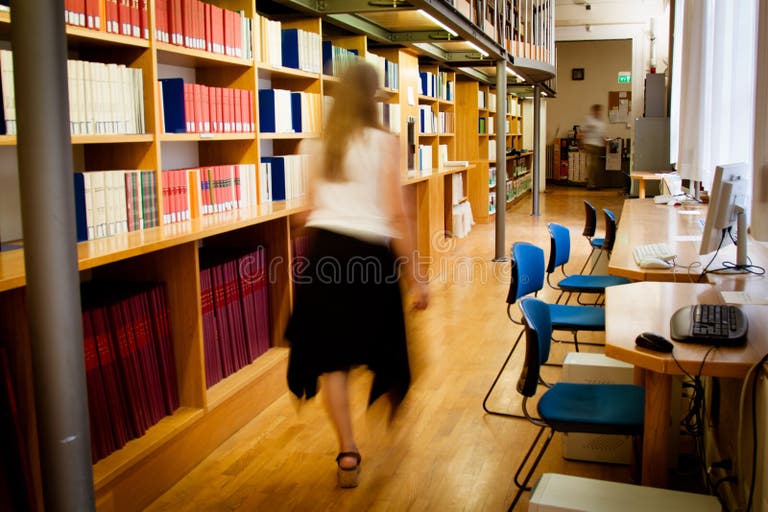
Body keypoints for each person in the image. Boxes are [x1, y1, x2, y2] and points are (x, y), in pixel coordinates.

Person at [284, 61, 428, 489]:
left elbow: (307, 210)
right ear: (373, 98)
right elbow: (397, 214)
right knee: (384, 346)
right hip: (370, 258)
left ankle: (347, 452)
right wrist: (417, 277)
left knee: (333, 364)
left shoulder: (314, 145)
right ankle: (389, 416)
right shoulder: (385, 143)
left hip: (324, 256)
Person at [579, 104, 607, 190]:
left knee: (595, 166)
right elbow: (582, 131)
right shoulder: (589, 120)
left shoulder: (601, 123)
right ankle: (591, 184)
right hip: (589, 144)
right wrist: (581, 142)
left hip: (598, 145)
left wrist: (605, 142)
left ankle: (593, 183)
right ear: (594, 111)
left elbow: (602, 135)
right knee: (593, 165)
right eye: (597, 111)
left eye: (599, 111)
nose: (598, 113)